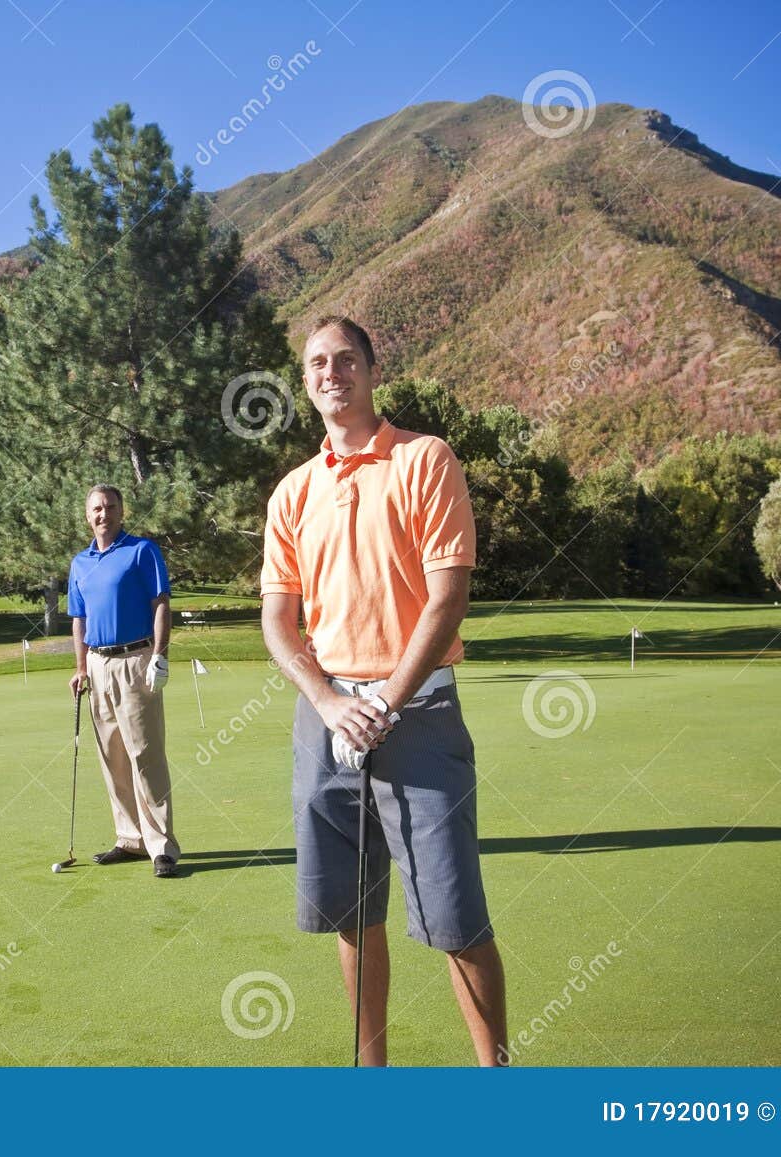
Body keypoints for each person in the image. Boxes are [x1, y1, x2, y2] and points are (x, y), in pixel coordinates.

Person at [260, 315, 507, 1065]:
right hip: (326, 717)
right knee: (350, 911)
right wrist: (332, 703)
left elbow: (447, 597)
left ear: (372, 368)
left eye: (344, 359)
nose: (330, 372)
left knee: (454, 914)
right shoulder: (292, 492)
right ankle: (373, 1078)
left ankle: (497, 1076)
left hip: (418, 709)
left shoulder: (426, 459)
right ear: (305, 384)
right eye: (315, 365)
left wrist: (385, 702)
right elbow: (277, 619)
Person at [67, 484, 180, 879]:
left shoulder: (142, 551)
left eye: (110, 507)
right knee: (112, 755)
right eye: (96, 508)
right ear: (88, 516)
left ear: (121, 511)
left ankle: (161, 845)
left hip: (136, 659)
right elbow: (78, 620)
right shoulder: (80, 563)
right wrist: (81, 668)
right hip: (98, 665)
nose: (104, 514)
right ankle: (130, 838)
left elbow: (161, 603)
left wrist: (160, 655)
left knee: (145, 754)